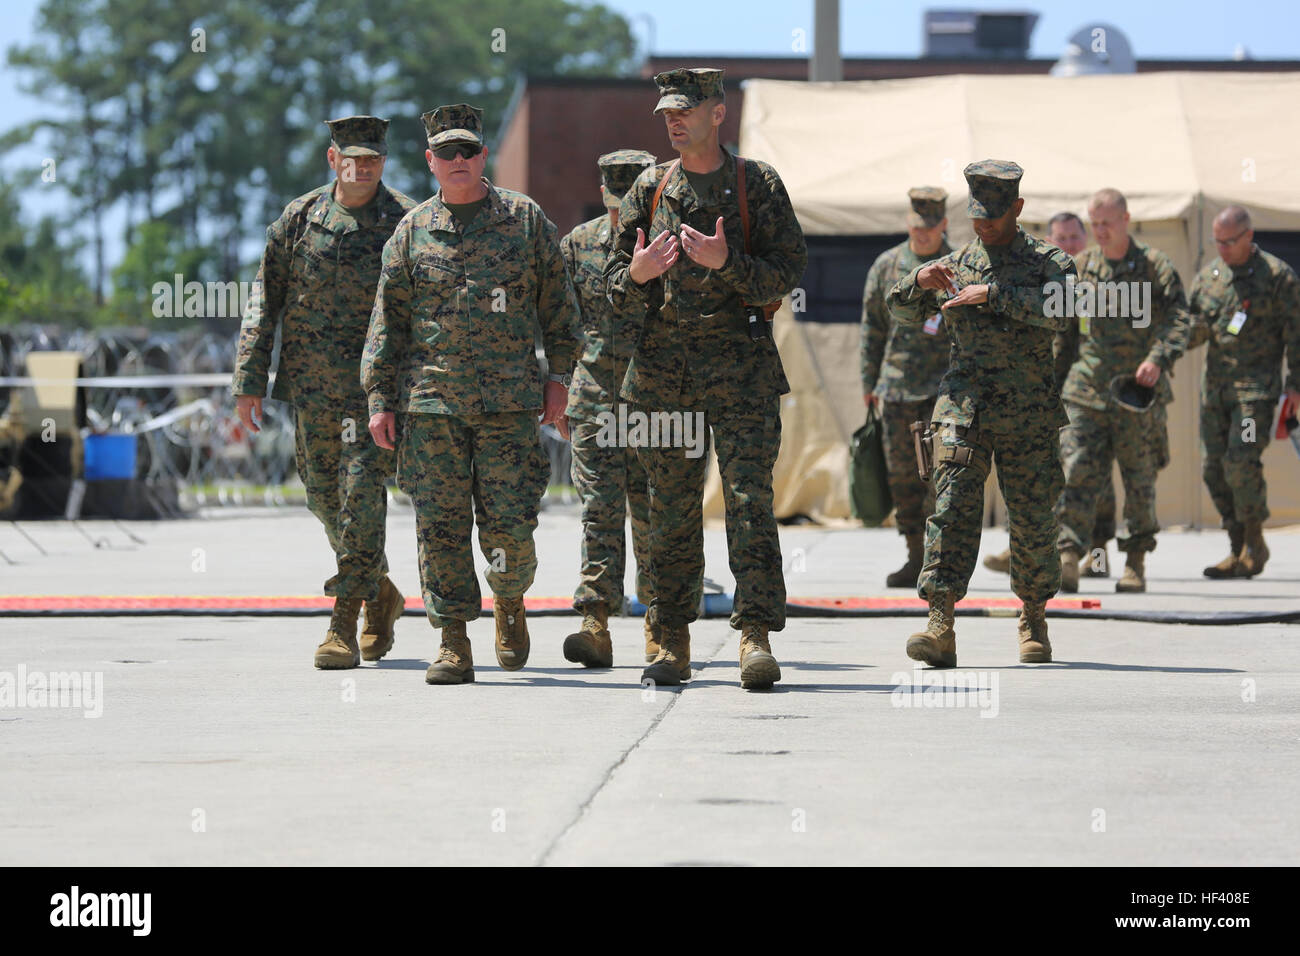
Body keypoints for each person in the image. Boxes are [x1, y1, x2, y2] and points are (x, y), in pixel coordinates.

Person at [361, 104, 580, 685]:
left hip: (509, 407)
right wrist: (379, 398)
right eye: (446, 153)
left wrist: (559, 381)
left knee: (509, 526)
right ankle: (453, 638)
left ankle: (509, 599)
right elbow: (387, 324)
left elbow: (560, 311)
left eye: (469, 151)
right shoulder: (410, 232)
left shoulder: (524, 220)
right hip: (430, 406)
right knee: (440, 527)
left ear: (483, 156)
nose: (458, 161)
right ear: (430, 161)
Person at [604, 68, 807, 689]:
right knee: (669, 509)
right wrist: (636, 274)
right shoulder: (649, 185)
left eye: (687, 111)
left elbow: (788, 272)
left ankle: (754, 635)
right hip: (664, 375)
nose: (674, 120)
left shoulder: (756, 183)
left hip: (740, 371)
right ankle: (670, 637)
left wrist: (730, 263)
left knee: (748, 503)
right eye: (667, 111)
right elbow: (611, 288)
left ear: (718, 114)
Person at [232, 115, 415, 670]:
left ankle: (342, 621)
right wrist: (249, 379)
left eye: (373, 160)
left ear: (384, 162)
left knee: (360, 495)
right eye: (351, 158)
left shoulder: (404, 221)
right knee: (320, 496)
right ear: (332, 160)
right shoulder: (299, 219)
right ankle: (380, 590)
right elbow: (266, 302)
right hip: (312, 387)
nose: (362, 168)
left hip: (375, 391)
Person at [886, 160, 1075, 667]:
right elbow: (900, 311)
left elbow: (1062, 310)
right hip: (963, 409)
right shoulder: (957, 263)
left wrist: (995, 295)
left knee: (1034, 518)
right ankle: (940, 623)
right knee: (950, 512)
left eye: (994, 216)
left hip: (1028, 413)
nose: (984, 225)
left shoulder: (1048, 262)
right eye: (977, 216)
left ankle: (1033, 615)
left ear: (1017, 208)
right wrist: (917, 281)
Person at [1056, 188, 1193, 594]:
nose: (1100, 231)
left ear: (1126, 219)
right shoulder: (1080, 268)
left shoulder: (1154, 267)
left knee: (1139, 480)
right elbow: (1063, 334)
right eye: (1094, 224)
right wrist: (1052, 386)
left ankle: (1135, 562)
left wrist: (1158, 357)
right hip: (1086, 390)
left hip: (1137, 393)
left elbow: (1179, 320)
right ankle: (1067, 556)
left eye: (1107, 223)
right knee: (1076, 471)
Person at [561, 148, 660, 669]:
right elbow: (560, 325)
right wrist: (561, 388)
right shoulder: (577, 246)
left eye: (632, 200)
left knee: (652, 514)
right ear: (602, 194)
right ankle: (595, 619)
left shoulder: (670, 244)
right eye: (616, 200)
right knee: (599, 510)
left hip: (656, 400)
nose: (623, 211)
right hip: (594, 398)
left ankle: (659, 620)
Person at [984, 210, 1122, 578]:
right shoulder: (1040, 279)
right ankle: (1024, 548)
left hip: (1087, 392)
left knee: (1090, 473)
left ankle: (1095, 553)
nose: (1069, 245)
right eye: (1061, 239)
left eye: (1075, 238)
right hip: (1044, 388)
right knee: (1033, 468)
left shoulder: (1093, 282)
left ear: (1086, 239)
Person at [1187, 205, 1300, 578]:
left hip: (1255, 394)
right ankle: (1236, 547)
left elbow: (1296, 336)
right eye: (1216, 241)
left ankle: (1255, 542)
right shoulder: (1210, 277)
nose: (1221, 249)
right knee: (1212, 468)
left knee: (1242, 461)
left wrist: (1295, 386)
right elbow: (1191, 325)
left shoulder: (1277, 277)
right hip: (1215, 392)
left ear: (1248, 236)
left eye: (1229, 242)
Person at [861, 187, 953, 588]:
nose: (923, 234)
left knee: (941, 478)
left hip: (944, 390)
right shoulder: (888, 265)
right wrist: (869, 382)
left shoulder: (959, 264)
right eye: (917, 227)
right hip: (897, 389)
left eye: (930, 228)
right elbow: (872, 329)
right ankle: (915, 556)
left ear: (944, 225)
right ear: (908, 223)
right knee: (903, 479)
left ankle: (940, 560)